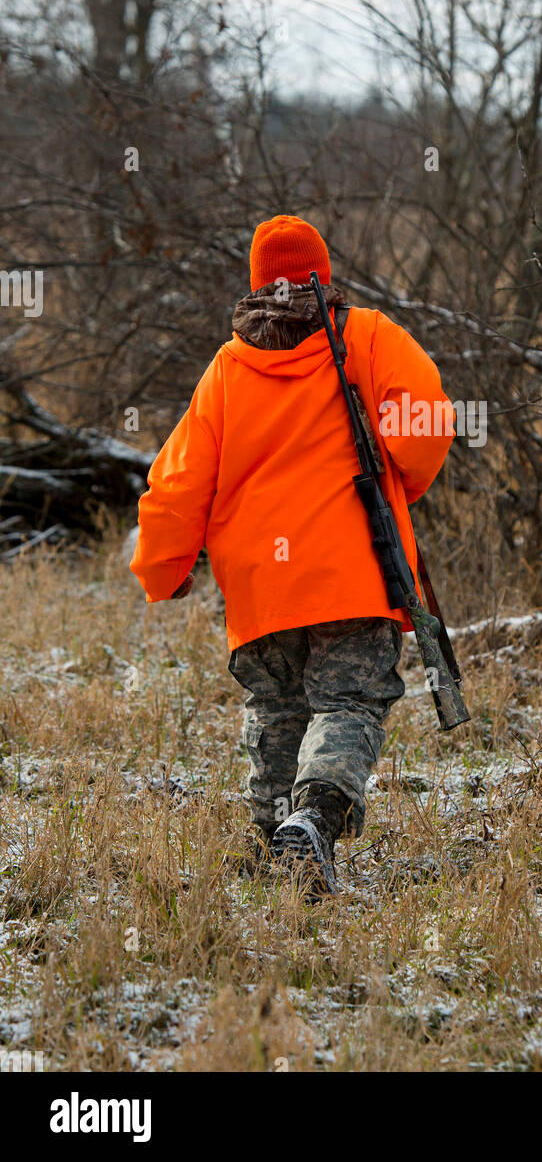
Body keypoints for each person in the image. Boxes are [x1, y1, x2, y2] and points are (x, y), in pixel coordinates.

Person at [130, 214, 454, 895]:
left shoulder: (227, 368)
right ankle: (311, 822)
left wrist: (165, 568)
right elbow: (422, 419)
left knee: (275, 710)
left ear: (255, 283)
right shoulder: (365, 336)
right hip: (355, 574)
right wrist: (404, 478)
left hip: (260, 591)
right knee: (348, 702)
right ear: (324, 275)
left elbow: (179, 480)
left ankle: (271, 846)